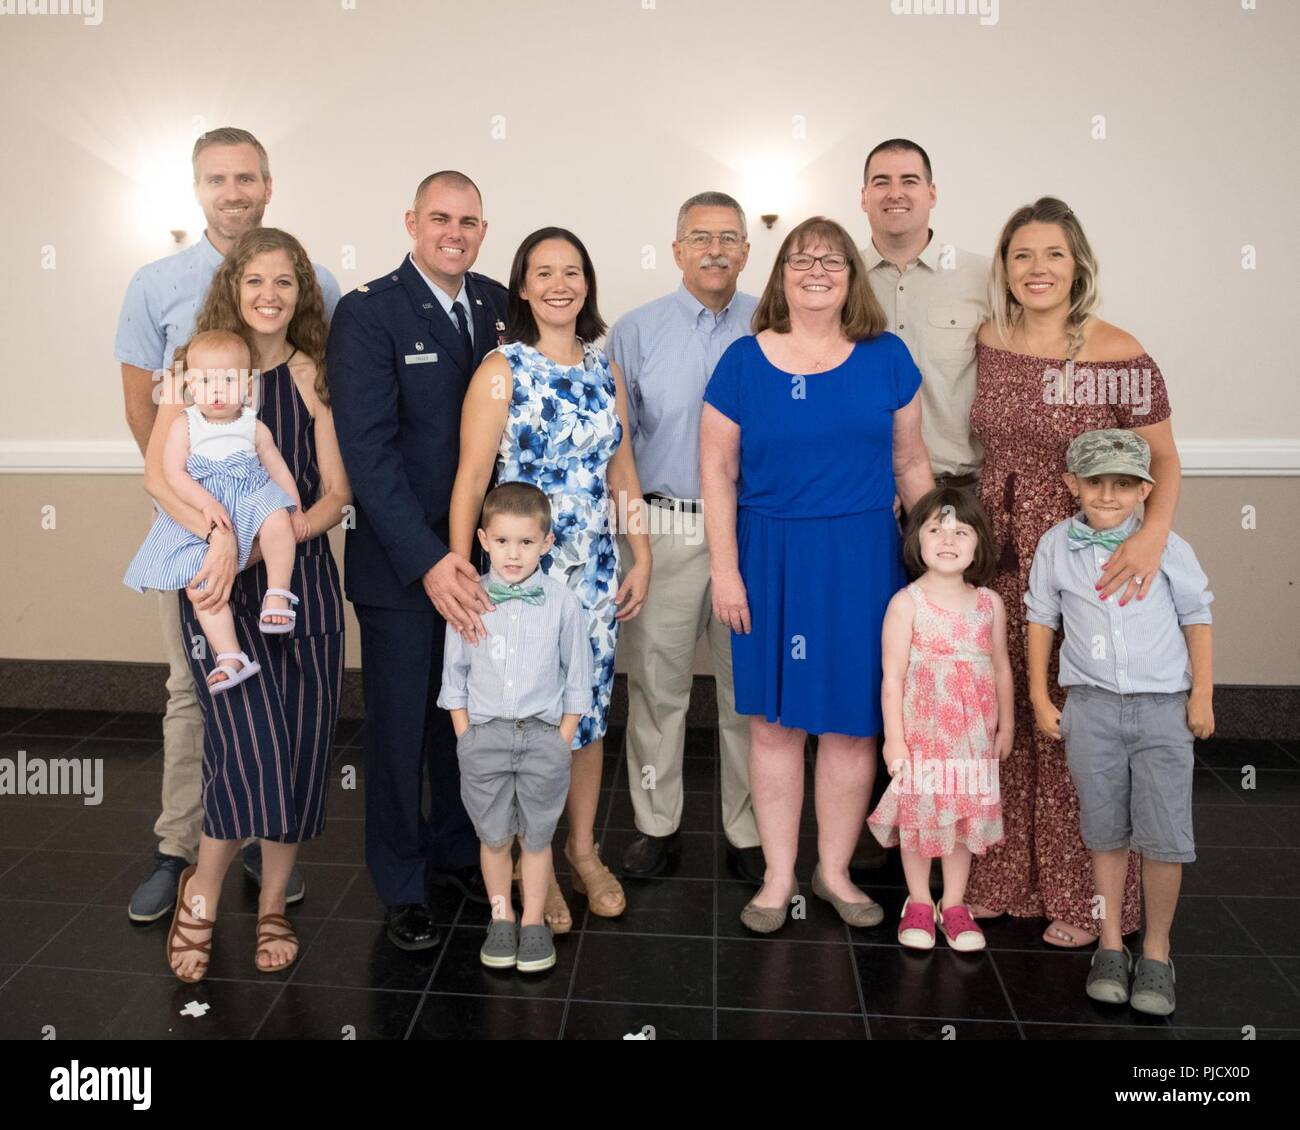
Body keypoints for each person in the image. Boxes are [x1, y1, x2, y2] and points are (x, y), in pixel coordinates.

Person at [116, 126, 339, 923]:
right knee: (201, 695)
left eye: (248, 177)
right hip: (198, 532)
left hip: (281, 547)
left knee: (292, 719)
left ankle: (268, 872)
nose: (234, 190)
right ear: (199, 188)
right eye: (218, 178)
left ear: (268, 186)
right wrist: (197, 518)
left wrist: (266, 528)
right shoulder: (167, 303)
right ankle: (183, 858)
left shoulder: (316, 342)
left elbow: (329, 477)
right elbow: (149, 425)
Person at [700, 217, 934, 934]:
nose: (817, 269)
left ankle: (832, 873)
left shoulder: (887, 357)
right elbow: (717, 470)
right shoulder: (743, 362)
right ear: (780, 275)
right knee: (774, 727)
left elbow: (911, 464)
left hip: (863, 559)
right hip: (770, 557)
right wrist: (726, 571)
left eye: (832, 259)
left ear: (851, 276)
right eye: (801, 259)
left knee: (852, 729)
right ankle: (776, 880)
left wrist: (937, 565)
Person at [966, 196, 1183, 947]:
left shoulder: (1119, 352)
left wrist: (1151, 538)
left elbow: (1165, 460)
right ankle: (995, 877)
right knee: (1002, 711)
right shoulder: (987, 340)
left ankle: (1081, 896)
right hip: (996, 548)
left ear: (1077, 264)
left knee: (1072, 716)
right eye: (1022, 255)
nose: (1037, 269)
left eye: (1052, 254)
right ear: (1005, 266)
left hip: (1080, 550)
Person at [147, 227, 351, 981]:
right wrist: (221, 538)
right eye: (256, 280)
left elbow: (336, 494)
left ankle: (271, 903)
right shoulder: (191, 369)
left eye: (286, 283)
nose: (271, 295)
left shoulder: (313, 375)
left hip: (302, 588)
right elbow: (157, 479)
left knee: (299, 747)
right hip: (212, 587)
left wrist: (267, 543)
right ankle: (199, 893)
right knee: (243, 744)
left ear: (303, 294)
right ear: (233, 286)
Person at [448, 226, 651, 931]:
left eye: (573, 271)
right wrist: (458, 571)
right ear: (524, 286)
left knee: (583, 714)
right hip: (516, 577)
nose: (560, 284)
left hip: (591, 576)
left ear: (587, 283)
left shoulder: (605, 371)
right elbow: (472, 479)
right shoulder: (501, 369)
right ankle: (525, 858)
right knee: (525, 718)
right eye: (544, 272)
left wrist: (641, 552)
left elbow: (621, 470)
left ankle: (581, 849)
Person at [328, 171, 508, 952]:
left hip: (487, 566)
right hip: (404, 570)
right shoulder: (368, 313)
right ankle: (403, 884)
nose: (454, 232)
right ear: (412, 222)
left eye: (468, 220)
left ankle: (456, 854)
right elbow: (366, 454)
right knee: (401, 733)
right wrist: (431, 559)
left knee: (465, 725)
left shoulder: (503, 303)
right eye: (440, 218)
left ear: (483, 228)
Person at [1025, 429, 1213, 1014]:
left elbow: (1196, 617)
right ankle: (1110, 943)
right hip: (1093, 707)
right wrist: (1038, 694)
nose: (1108, 494)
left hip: (1162, 709)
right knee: (1104, 829)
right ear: (1071, 485)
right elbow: (1041, 619)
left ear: (1143, 490)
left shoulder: (1168, 548)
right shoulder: (1056, 547)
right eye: (1095, 482)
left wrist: (1201, 694)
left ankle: (1156, 951)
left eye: (1124, 483)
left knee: (1163, 835)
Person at [606, 191, 763, 884]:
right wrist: (635, 544)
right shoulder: (634, 331)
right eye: (700, 237)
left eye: (729, 237)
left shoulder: (774, 324)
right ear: (675, 249)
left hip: (753, 533)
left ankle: (749, 833)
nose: (716, 249)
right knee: (658, 690)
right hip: (665, 528)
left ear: (747, 251)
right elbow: (620, 450)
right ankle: (655, 827)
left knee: (747, 693)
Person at [437, 482, 593, 973]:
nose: (513, 553)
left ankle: (532, 922)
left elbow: (578, 677)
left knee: (539, 837)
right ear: (483, 540)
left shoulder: (562, 602)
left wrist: (561, 739)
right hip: (484, 738)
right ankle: (500, 917)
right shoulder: (470, 597)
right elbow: (454, 674)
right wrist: (466, 736)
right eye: (502, 541)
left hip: (542, 739)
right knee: (494, 837)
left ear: (546, 544)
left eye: (526, 543)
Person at [867, 486, 1012, 952]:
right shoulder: (906, 603)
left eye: (961, 531)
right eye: (936, 529)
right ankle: (918, 902)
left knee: (960, 823)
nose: (948, 540)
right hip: (923, 740)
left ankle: (954, 903)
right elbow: (893, 677)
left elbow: (1002, 667)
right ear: (917, 540)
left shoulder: (990, 603)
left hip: (971, 743)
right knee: (920, 820)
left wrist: (1005, 725)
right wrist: (895, 740)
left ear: (978, 544)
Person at [124, 331, 304, 691]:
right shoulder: (184, 424)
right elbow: (173, 473)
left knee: (278, 521)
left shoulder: (252, 425)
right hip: (208, 506)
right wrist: (206, 503)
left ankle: (278, 594)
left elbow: (277, 468)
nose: (218, 390)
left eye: (228, 379)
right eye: (206, 380)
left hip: (250, 494)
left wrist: (294, 507)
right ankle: (229, 655)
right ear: (190, 383)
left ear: (248, 384)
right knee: (200, 583)